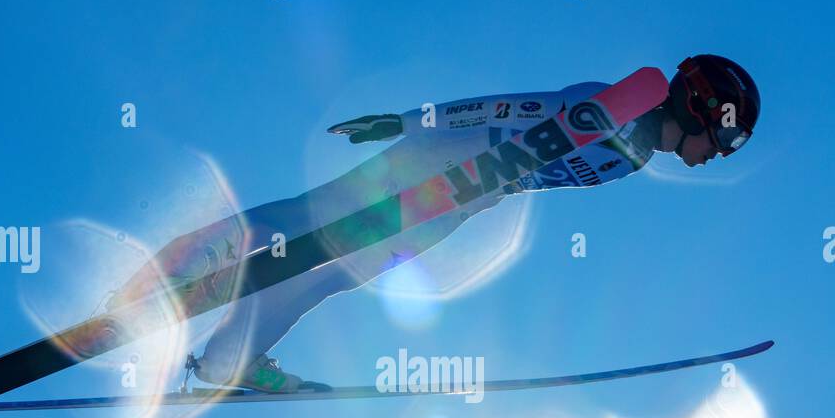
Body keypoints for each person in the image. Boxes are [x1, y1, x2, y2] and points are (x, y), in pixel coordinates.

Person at [110, 55, 760, 393]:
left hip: (462, 200)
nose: (717, 158)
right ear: (707, 107)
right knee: (305, 223)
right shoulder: (640, 93)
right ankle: (172, 274)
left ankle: (230, 360)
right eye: (726, 142)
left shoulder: (635, 159)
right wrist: (406, 123)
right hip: (444, 163)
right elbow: (513, 107)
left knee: (327, 274)